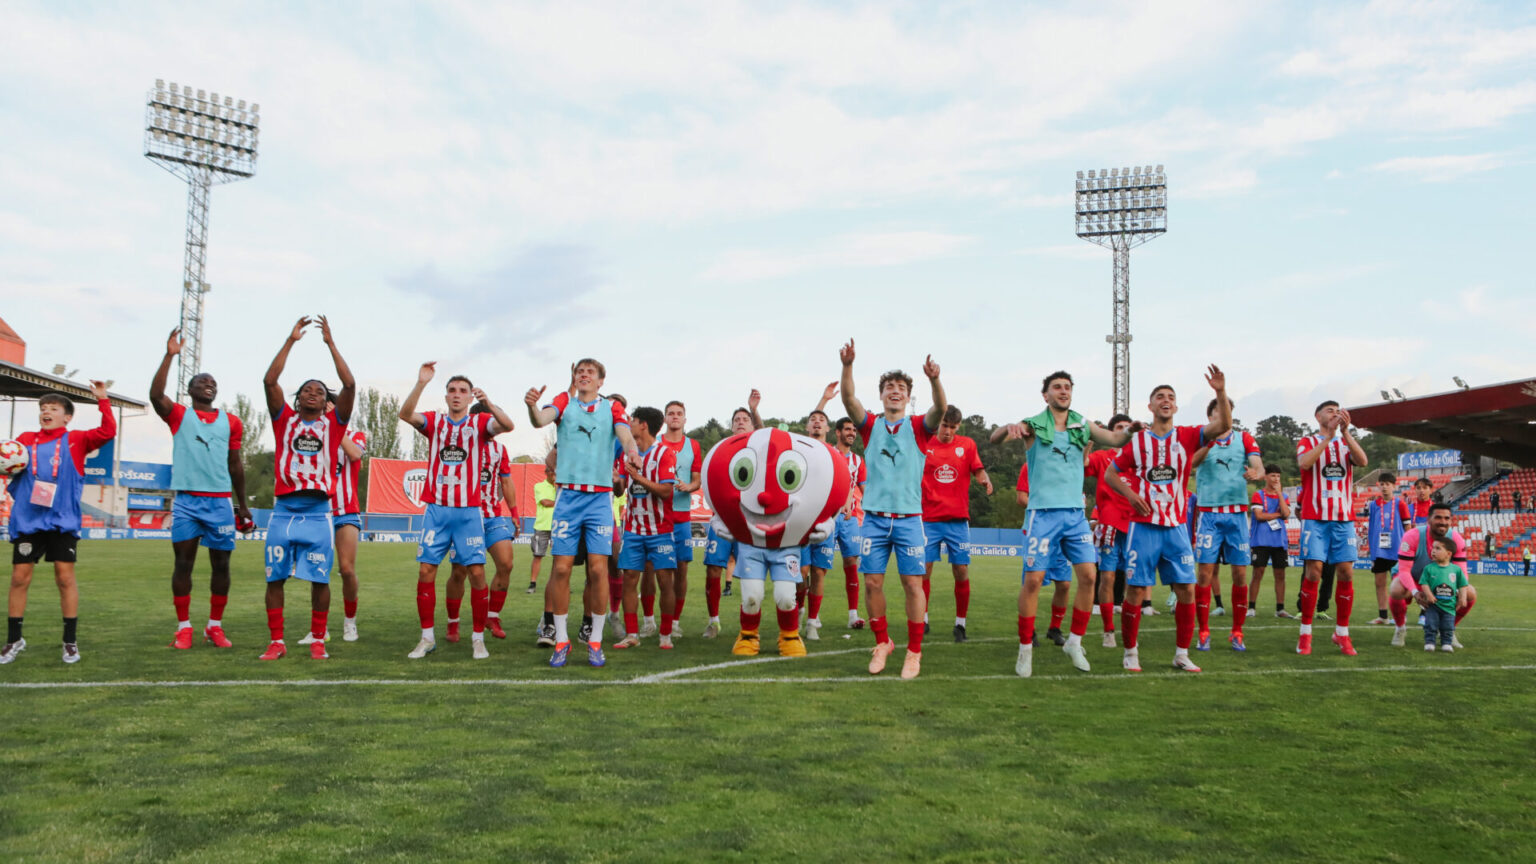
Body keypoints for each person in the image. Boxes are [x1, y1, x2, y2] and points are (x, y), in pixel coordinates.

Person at [993, 371, 1137, 677]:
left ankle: (1075, 641)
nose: (1063, 391)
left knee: (1088, 576)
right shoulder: (1033, 425)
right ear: (1045, 395)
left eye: (1067, 387)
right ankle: (1025, 650)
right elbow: (994, 439)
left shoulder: (1082, 425)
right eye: (1057, 387)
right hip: (1042, 515)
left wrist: (1131, 432)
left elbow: (1113, 438)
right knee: (1032, 582)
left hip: (1075, 516)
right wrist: (1010, 428)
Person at [1101, 369, 1230, 673]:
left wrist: (1220, 392)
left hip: (1176, 527)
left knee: (1186, 588)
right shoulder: (1138, 441)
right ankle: (1131, 653)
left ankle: (1182, 654)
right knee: (1135, 590)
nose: (1166, 400)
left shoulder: (1186, 435)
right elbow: (1111, 474)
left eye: (1171, 397)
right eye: (1160, 396)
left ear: (1176, 406)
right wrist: (1132, 495)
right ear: (1150, 407)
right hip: (1143, 527)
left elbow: (1223, 425)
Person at [837, 339, 946, 679]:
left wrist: (934, 381)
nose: (894, 391)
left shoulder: (917, 428)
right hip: (873, 520)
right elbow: (848, 400)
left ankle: (914, 651)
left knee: (913, 584)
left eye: (900, 387)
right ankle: (883, 642)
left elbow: (940, 411)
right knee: (871, 583)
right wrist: (848, 366)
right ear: (881, 394)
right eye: (889, 387)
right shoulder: (870, 426)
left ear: (908, 395)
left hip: (910, 520)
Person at [524, 358, 640, 668]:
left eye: (590, 372)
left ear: (601, 381)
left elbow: (625, 434)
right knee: (561, 569)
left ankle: (595, 641)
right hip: (569, 498)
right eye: (580, 371)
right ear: (575, 378)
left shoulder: (612, 408)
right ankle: (561, 641)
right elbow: (540, 419)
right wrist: (532, 407)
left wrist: (632, 450)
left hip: (599, 499)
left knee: (598, 570)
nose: (584, 375)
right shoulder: (564, 402)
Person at [399, 365, 516, 661]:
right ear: (446, 395)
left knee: (477, 572)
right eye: (452, 390)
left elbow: (508, 425)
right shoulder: (435, 422)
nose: (457, 395)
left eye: (463, 391)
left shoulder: (479, 424)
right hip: (437, 510)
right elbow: (405, 414)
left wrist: (488, 402)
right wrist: (420, 383)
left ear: (469, 397)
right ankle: (427, 637)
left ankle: (478, 638)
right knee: (426, 570)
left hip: (468, 512)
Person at [258, 316, 354, 661]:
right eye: (307, 390)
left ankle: (317, 639)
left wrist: (330, 344)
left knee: (320, 579)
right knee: (275, 579)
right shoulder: (283, 420)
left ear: (326, 400)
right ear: (297, 399)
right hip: (283, 511)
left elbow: (350, 384)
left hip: (318, 513)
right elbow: (270, 380)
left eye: (320, 391)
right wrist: (291, 340)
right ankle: (277, 642)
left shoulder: (333, 424)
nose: (314, 393)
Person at [149, 328, 252, 651]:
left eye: (213, 383)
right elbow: (155, 396)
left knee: (222, 565)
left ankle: (214, 626)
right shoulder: (179, 415)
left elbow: (235, 464)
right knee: (183, 564)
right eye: (202, 382)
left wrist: (243, 505)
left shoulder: (231, 421)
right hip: (187, 502)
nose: (209, 385)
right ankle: (184, 628)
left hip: (220, 502)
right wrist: (170, 355)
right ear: (191, 389)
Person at [1, 382, 115, 665]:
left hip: (61, 522)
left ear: (67, 417)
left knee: (64, 578)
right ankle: (14, 640)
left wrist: (102, 399)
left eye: (53, 408)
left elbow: (108, 432)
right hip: (29, 520)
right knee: (19, 578)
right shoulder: (26, 439)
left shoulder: (76, 439)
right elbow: (8, 458)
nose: (46, 412)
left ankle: (70, 642)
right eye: (43, 408)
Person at [1294, 401, 1368, 656]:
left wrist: (1345, 433)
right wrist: (1327, 438)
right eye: (1329, 410)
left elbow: (1363, 460)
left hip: (1343, 518)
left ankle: (1342, 633)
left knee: (1346, 572)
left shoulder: (1345, 443)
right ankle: (1305, 633)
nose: (1335, 413)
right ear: (1317, 416)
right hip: (1315, 517)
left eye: (1338, 410)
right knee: (1314, 572)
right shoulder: (1307, 441)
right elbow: (1304, 464)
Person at [1189, 398, 1263, 652]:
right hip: (1209, 514)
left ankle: (1237, 632)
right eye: (1218, 412)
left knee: (1241, 574)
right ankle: (1203, 631)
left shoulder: (1244, 438)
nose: (1223, 416)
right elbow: (1191, 464)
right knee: (1204, 574)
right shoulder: (1201, 437)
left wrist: (1256, 473)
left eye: (1227, 412)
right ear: (1210, 416)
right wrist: (1209, 442)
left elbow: (1259, 466)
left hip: (1237, 515)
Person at [445, 403, 518, 641]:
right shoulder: (458, 446)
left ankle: (492, 616)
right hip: (465, 517)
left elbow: (506, 482)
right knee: (460, 572)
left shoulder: (499, 449)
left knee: (506, 564)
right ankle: (453, 623)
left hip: (492, 516)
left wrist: (514, 513)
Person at [920, 405, 993, 643]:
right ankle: (923, 619)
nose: (948, 431)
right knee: (924, 571)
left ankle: (960, 624)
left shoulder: (968, 445)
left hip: (957, 520)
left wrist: (984, 480)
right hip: (929, 519)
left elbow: (978, 469)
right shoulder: (924, 444)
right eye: (944, 425)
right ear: (937, 423)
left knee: (961, 571)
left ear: (958, 426)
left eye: (952, 427)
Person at [614, 407, 679, 649]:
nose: (628, 423)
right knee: (629, 579)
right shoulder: (626, 455)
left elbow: (666, 491)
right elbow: (621, 489)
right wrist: (616, 482)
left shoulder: (665, 454)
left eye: (632, 420)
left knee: (664, 581)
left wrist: (638, 477)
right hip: (632, 529)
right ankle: (632, 634)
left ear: (643, 425)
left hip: (660, 530)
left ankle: (665, 635)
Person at [301, 396, 364, 644]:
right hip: (319, 511)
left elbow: (356, 454)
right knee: (318, 572)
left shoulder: (354, 433)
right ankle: (319, 629)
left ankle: (350, 622)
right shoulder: (311, 434)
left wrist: (333, 424)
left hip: (346, 510)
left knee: (346, 569)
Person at [701, 397, 761, 638]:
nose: (740, 422)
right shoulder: (721, 450)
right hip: (723, 519)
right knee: (714, 569)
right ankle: (713, 622)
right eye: (736, 420)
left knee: (749, 573)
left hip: (749, 520)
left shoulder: (759, 449)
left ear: (752, 426)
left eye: (745, 419)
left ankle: (747, 627)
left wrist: (755, 409)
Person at [1388, 503, 1476, 649]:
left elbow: (1462, 572)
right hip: (1413, 578)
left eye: (1447, 518)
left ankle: (1448, 630)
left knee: (1470, 593)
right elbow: (1404, 571)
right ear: (1429, 519)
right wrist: (1416, 592)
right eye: (1438, 517)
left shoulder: (1456, 538)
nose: (1443, 522)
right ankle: (1400, 628)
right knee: (1396, 589)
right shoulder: (1413, 535)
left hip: (1439, 582)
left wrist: (1460, 593)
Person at [1087, 414, 1135, 647]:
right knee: (1107, 576)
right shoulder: (1103, 456)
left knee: (1133, 580)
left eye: (1128, 427)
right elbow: (1084, 465)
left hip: (1137, 524)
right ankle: (1109, 630)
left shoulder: (1141, 457)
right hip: (1109, 524)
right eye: (1119, 427)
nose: (1125, 431)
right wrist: (1088, 444)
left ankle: (1130, 628)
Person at [799, 385, 843, 640]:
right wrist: (823, 400)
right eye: (813, 420)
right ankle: (799, 611)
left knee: (818, 572)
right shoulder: (801, 450)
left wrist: (836, 514)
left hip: (825, 521)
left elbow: (842, 485)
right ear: (807, 428)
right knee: (801, 572)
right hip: (802, 522)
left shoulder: (834, 454)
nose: (817, 423)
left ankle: (812, 622)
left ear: (829, 429)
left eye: (822, 421)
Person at [658, 401, 703, 634]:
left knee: (681, 570)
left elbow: (698, 480)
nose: (675, 417)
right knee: (651, 570)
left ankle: (674, 621)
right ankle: (648, 620)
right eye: (671, 414)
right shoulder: (655, 444)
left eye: (679, 414)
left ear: (685, 419)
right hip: (657, 516)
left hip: (682, 517)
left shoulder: (693, 445)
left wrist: (690, 486)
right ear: (665, 419)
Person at [831, 416, 868, 629]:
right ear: (838, 432)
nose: (852, 433)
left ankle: (853, 615)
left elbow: (865, 490)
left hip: (850, 518)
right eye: (847, 429)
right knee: (818, 568)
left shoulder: (858, 461)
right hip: (827, 517)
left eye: (854, 430)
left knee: (851, 563)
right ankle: (810, 616)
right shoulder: (828, 453)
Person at [1365, 472, 1413, 626]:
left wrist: (1408, 549)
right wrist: (1371, 549)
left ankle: (1401, 615)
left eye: (1388, 484)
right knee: (1379, 583)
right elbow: (1372, 527)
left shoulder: (1400, 504)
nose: (1384, 487)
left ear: (1394, 486)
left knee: (1398, 585)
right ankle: (1383, 616)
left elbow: (1408, 527)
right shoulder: (1373, 505)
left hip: (1397, 550)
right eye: (1382, 484)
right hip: (1379, 550)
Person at [1248, 465, 1294, 619]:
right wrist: (1277, 514)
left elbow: (1286, 514)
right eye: (1273, 475)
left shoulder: (1284, 496)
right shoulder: (1258, 495)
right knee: (1258, 573)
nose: (1276, 479)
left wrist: (1280, 493)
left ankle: (1280, 609)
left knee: (1280, 574)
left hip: (1279, 541)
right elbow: (1259, 516)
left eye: (1278, 476)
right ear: (1266, 477)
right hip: (1260, 540)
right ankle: (1251, 607)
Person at [1416, 536, 1469, 653]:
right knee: (1430, 625)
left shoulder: (1456, 570)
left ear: (1448, 554)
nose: (1433, 551)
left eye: (1438, 548)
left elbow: (1463, 584)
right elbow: (1424, 583)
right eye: (1433, 548)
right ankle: (1429, 643)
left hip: (1450, 605)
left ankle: (1446, 643)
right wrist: (1429, 595)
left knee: (1448, 626)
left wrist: (1463, 597)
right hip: (1433, 605)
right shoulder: (1428, 568)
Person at [529, 463, 557, 594]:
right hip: (542, 526)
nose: (554, 476)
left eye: (556, 473)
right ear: (547, 473)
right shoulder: (539, 486)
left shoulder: (561, 487)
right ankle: (532, 583)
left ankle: (559, 583)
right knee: (538, 555)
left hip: (559, 526)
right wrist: (559, 501)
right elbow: (544, 503)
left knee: (560, 557)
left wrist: (558, 488)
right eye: (552, 473)